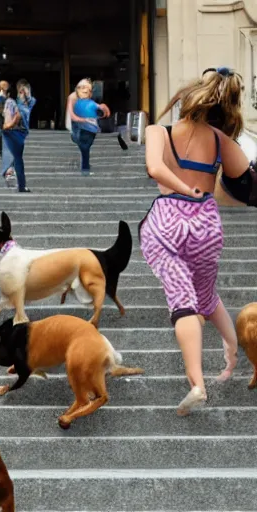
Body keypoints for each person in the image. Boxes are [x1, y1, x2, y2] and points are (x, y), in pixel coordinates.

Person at [140, 67, 249, 416]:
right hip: (206, 224)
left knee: (183, 301)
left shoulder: (158, 130)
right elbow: (247, 179)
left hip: (167, 221)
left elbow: (155, 169)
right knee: (205, 295)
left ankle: (198, 384)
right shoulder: (222, 141)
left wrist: (184, 189)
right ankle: (232, 348)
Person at [0, 80, 35, 193]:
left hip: (21, 134)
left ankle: (19, 183)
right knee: (15, 157)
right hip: (13, 132)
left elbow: (31, 100)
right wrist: (13, 120)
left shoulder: (30, 103)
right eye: (20, 92)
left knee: (18, 159)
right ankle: (10, 173)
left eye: (25, 91)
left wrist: (26, 92)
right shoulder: (14, 104)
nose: (23, 94)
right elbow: (7, 122)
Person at [70, 79, 110, 175]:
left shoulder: (78, 103)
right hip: (88, 129)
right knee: (85, 149)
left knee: (85, 148)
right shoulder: (90, 103)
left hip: (85, 129)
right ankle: (85, 169)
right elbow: (103, 111)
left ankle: (85, 167)